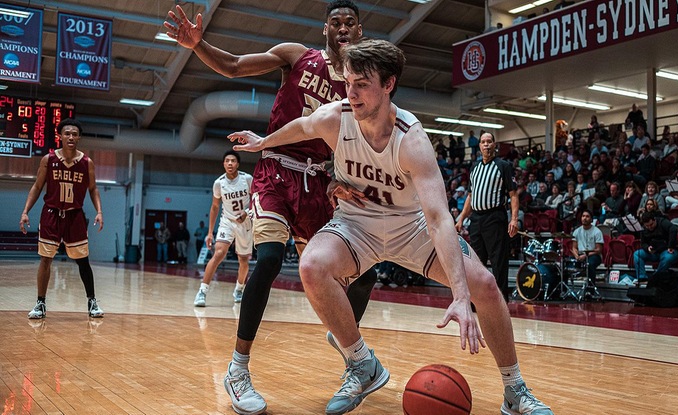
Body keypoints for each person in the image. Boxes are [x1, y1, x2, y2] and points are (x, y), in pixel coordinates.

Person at [229, 38, 552, 415]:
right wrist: (262, 142)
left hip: (410, 228)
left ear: (388, 84)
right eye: (348, 83)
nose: (351, 92)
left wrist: (462, 296)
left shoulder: (411, 139)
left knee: (484, 284)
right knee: (312, 266)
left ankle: (514, 389)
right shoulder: (337, 117)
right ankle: (361, 363)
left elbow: (438, 218)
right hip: (356, 227)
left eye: (361, 84)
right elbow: (300, 126)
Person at [165, 2, 377, 414]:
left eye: (350, 22)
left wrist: (341, 178)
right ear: (325, 30)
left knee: (364, 275)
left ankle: (345, 335)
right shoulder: (297, 56)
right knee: (269, 260)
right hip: (276, 171)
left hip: (319, 183)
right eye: (336, 22)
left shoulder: (361, 85)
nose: (343, 27)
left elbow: (360, 144)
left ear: (360, 31)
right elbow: (232, 65)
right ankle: (238, 369)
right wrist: (197, 45)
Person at [19, 119, 104, 320]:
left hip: (75, 215)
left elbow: (93, 189)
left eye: (74, 134)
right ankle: (40, 303)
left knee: (83, 261)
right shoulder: (48, 160)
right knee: (46, 259)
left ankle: (92, 302)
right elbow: (37, 187)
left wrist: (99, 211)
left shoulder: (86, 163)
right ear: (60, 136)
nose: (71, 137)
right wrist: (25, 211)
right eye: (67, 133)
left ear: (79, 137)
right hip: (51, 213)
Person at [455, 132, 519, 303]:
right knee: (476, 262)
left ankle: (500, 303)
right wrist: (461, 218)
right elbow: (470, 196)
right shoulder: (475, 167)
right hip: (476, 219)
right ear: (480, 146)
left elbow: (513, 194)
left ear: (494, 145)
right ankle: (478, 301)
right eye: (483, 142)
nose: (486, 145)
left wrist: (514, 219)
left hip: (495, 217)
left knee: (498, 262)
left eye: (489, 142)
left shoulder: (503, 166)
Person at [194, 151, 253, 307]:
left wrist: (246, 213)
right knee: (219, 253)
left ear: (238, 164)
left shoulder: (247, 179)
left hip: (245, 222)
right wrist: (209, 233)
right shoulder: (219, 183)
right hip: (227, 221)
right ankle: (202, 291)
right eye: (227, 161)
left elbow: (257, 199)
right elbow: (214, 207)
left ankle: (239, 289)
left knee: (243, 260)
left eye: (233, 161)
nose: (230, 163)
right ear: (223, 164)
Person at [633, 211, 678, 282]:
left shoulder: (662, 222)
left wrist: (671, 246)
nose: (649, 227)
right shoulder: (644, 229)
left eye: (651, 224)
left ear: (654, 220)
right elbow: (643, 243)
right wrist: (647, 248)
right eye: (647, 226)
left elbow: (673, 229)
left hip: (667, 250)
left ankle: (655, 278)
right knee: (637, 254)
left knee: (668, 258)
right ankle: (642, 277)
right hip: (653, 252)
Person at [571, 210, 604, 290]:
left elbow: (598, 249)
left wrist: (585, 256)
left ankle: (590, 289)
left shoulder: (597, 232)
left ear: (591, 220)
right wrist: (576, 255)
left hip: (593, 255)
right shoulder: (576, 231)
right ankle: (564, 290)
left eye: (587, 216)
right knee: (565, 264)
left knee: (590, 264)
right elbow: (574, 247)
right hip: (580, 255)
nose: (584, 218)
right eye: (583, 216)